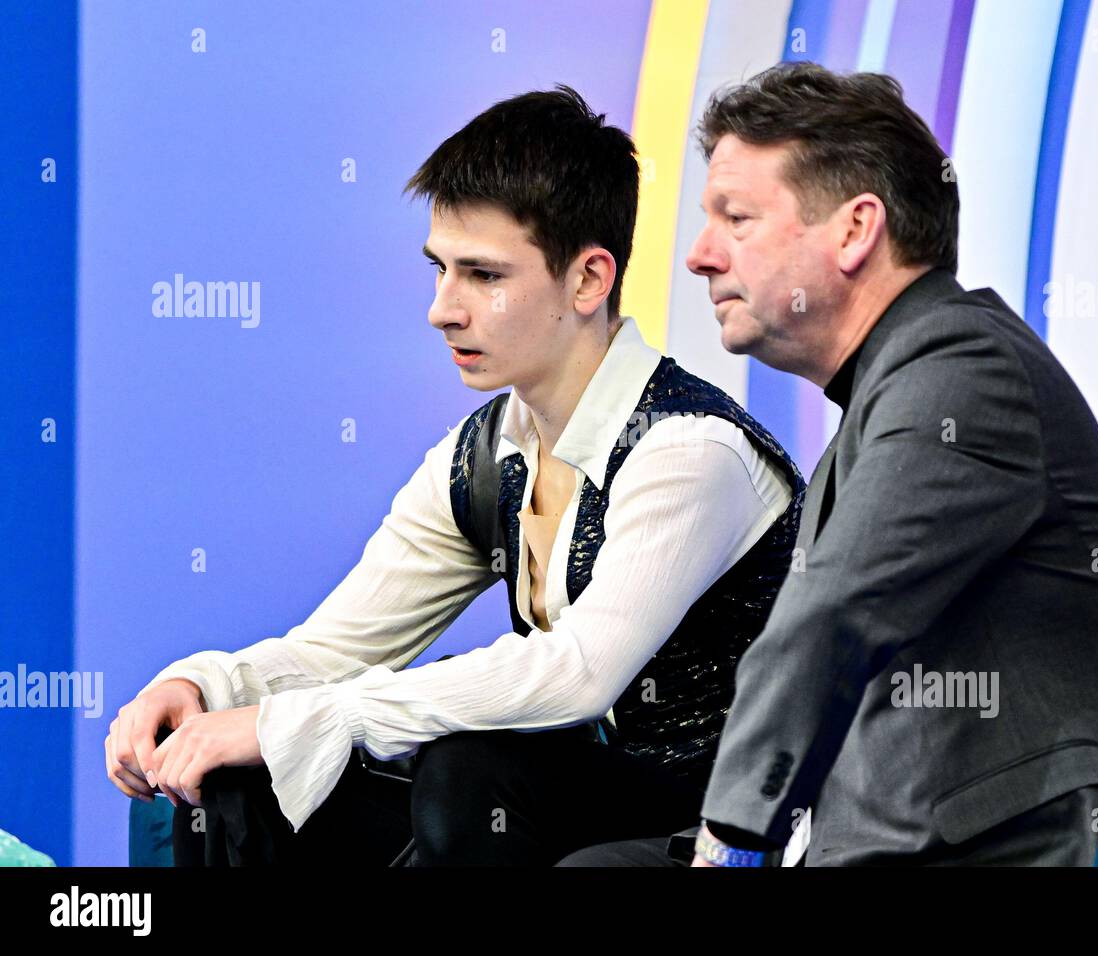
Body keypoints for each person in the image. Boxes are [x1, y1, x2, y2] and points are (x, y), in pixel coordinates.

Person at [103, 86, 804, 866]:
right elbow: (336, 651)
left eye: (483, 275)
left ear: (588, 280)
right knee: (233, 780)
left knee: (470, 771)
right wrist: (207, 690)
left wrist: (296, 723)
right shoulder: (482, 455)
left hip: (721, 822)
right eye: (440, 269)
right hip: (572, 803)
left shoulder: (690, 448)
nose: (443, 309)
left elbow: (577, 674)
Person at [558, 63, 1098, 868]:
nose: (698, 256)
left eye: (736, 218)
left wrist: (729, 840)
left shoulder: (965, 366)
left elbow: (834, 616)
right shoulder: (885, 398)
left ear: (855, 230)